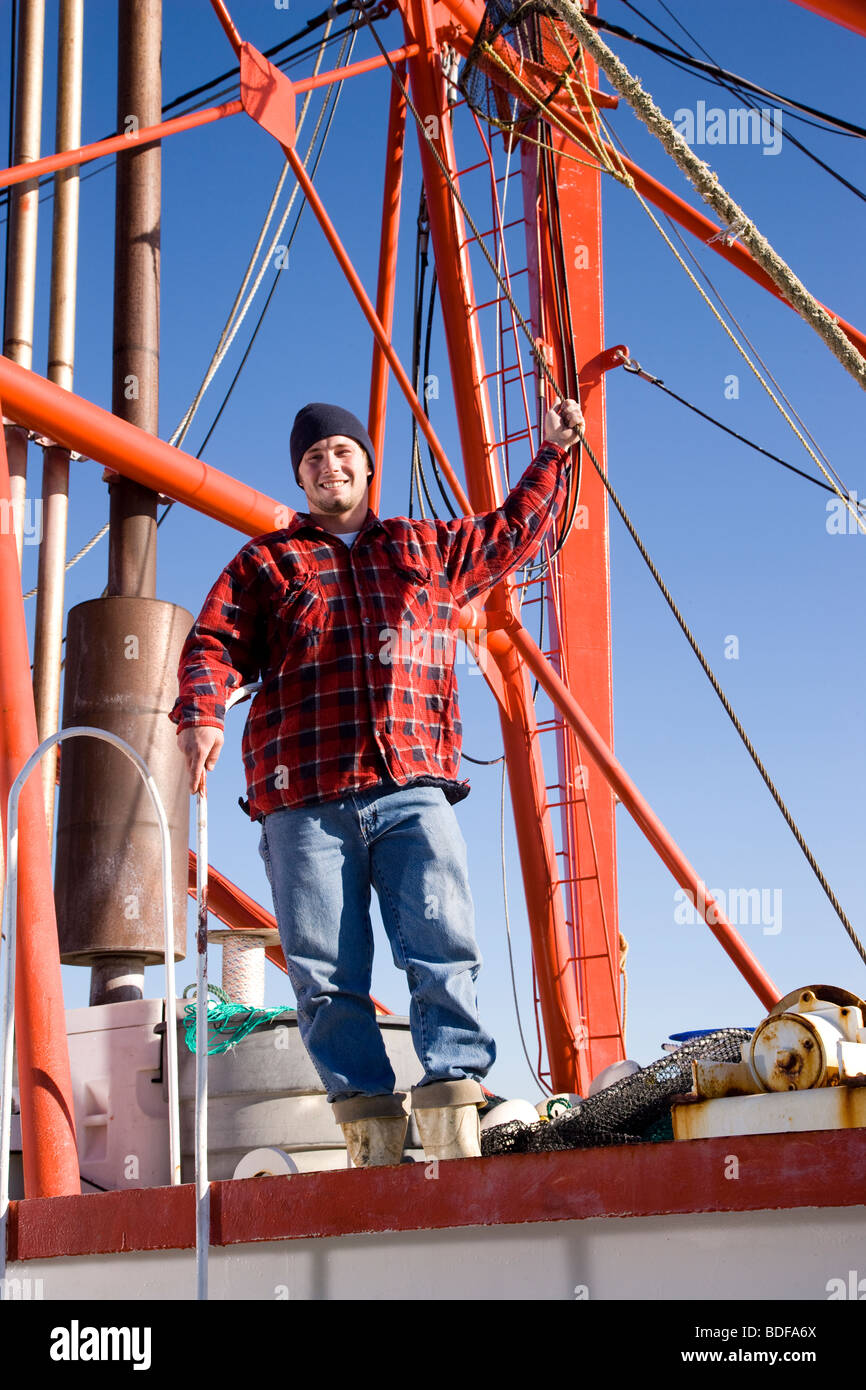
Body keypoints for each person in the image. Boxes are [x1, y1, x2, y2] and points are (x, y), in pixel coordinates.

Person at [170, 397, 584, 1167]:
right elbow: (214, 641)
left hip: (412, 785)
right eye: (313, 459)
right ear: (301, 477)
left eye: (340, 451)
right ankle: (370, 1140)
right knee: (326, 976)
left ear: (366, 463)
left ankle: (455, 1116)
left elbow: (510, 530)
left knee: (442, 946)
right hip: (304, 798)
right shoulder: (267, 563)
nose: (329, 465)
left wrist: (555, 454)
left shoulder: (422, 547)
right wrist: (202, 712)